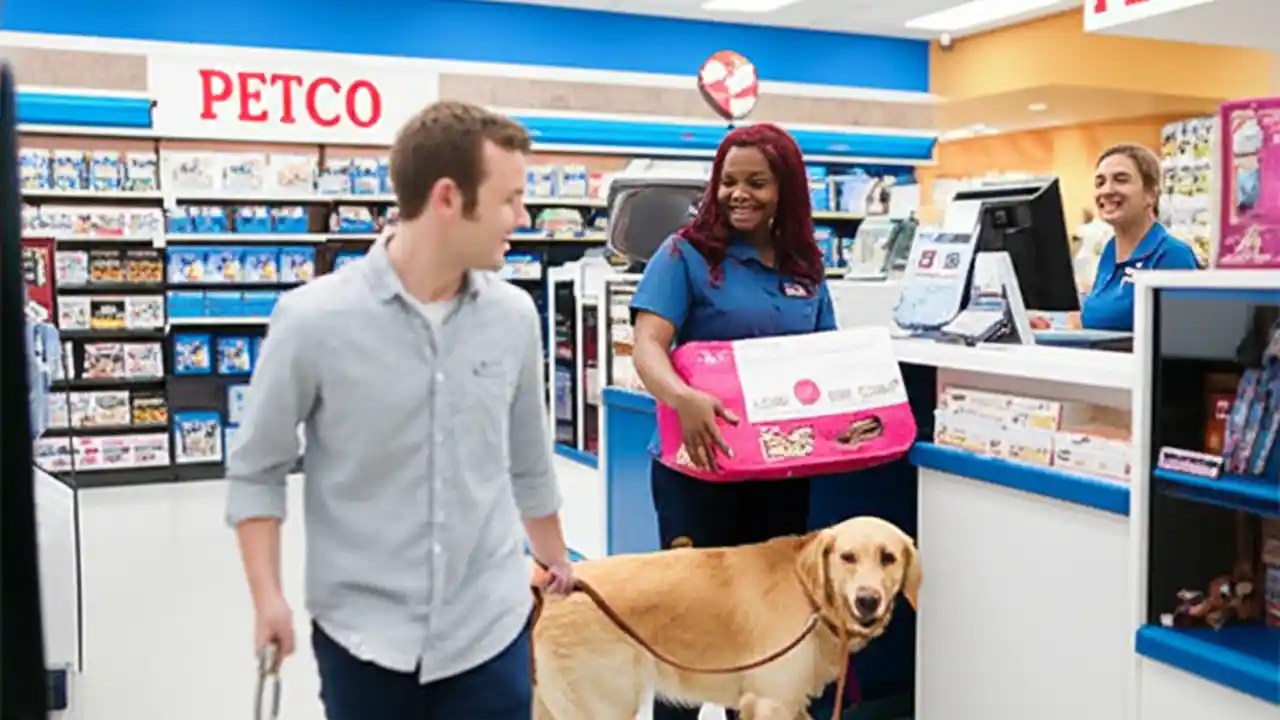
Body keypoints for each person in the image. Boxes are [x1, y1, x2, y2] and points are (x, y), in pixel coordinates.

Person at [225, 100, 574, 720]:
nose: (522, 217)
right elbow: (258, 468)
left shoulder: (515, 317)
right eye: (508, 200)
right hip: (365, 639)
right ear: (447, 198)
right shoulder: (313, 321)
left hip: (489, 633)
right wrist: (266, 597)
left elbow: (529, 463)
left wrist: (556, 558)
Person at [628, 123, 837, 720]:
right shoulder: (684, 255)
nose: (738, 194)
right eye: (728, 181)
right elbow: (648, 346)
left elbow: (824, 357)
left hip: (780, 470)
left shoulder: (805, 267)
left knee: (769, 619)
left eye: (756, 183)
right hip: (697, 467)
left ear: (787, 191)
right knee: (692, 623)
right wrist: (684, 398)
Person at [1033, 143, 1199, 332]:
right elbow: (1103, 318)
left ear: (1150, 194)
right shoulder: (1110, 251)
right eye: (1100, 183)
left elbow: (1180, 338)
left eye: (1121, 180)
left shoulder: (1171, 255)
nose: (1107, 190)